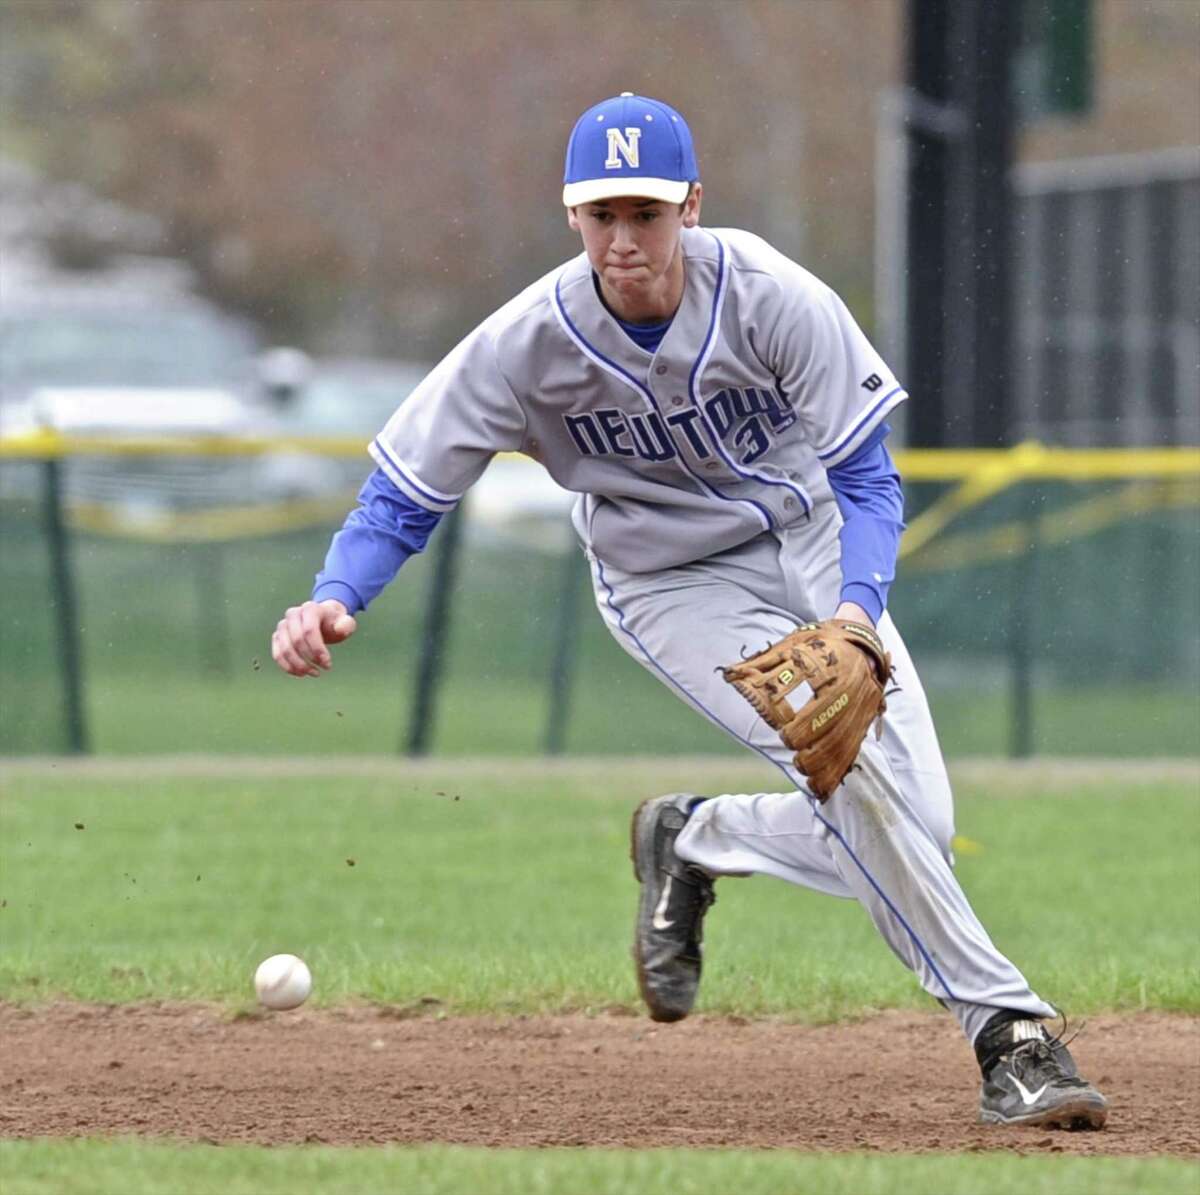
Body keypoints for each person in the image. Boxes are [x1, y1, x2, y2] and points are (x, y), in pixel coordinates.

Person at [271, 93, 1108, 1130]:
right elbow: (406, 491)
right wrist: (333, 596)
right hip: (671, 582)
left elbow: (868, 481)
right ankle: (1009, 1034)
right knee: (843, 770)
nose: (624, 240)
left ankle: (697, 836)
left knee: (919, 826)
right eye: (602, 215)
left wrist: (854, 614)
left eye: (647, 214)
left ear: (692, 207)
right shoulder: (526, 344)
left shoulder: (769, 295)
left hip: (812, 547)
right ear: (570, 216)